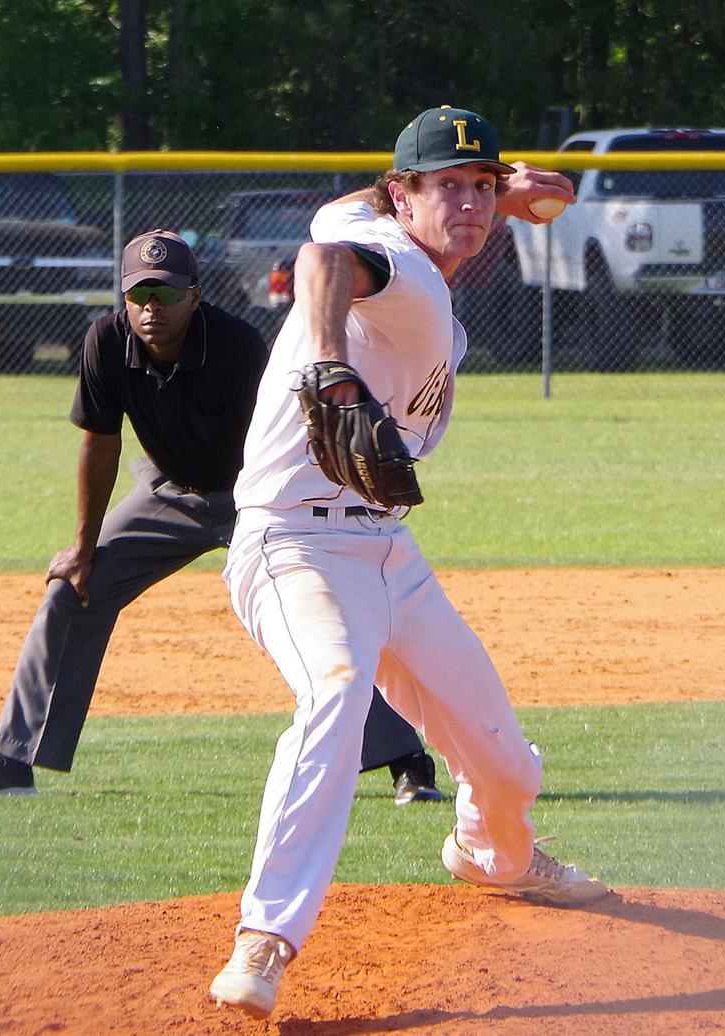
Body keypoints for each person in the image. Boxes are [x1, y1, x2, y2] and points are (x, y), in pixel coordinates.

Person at [209, 107, 613, 1020]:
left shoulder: (376, 228)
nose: (468, 204)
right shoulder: (399, 270)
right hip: (294, 544)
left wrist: (497, 195)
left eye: (480, 185)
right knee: (338, 690)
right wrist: (327, 368)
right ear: (403, 198)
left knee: (507, 767)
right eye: (448, 188)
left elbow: (338, 223)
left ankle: (492, 854)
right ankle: (265, 939)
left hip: (389, 550)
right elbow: (320, 267)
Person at [0, 229, 443, 805]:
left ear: (195, 296)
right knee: (73, 591)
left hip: (260, 495)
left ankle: (405, 757)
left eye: (168, 294)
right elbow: (99, 445)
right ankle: (15, 757)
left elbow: (295, 431)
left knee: (313, 625)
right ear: (124, 298)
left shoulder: (238, 346)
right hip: (170, 491)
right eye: (141, 293)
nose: (153, 307)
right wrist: (81, 548)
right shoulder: (105, 342)